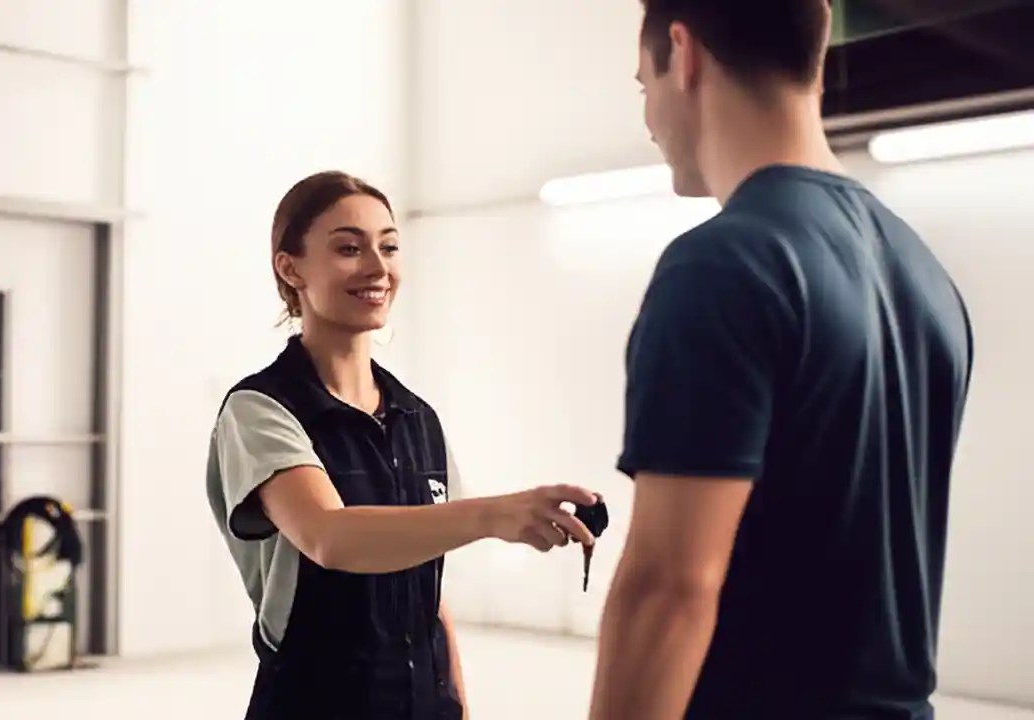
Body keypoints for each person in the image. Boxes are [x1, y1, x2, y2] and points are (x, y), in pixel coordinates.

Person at [588, 2, 974, 719]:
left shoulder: (724, 264)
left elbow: (668, 590)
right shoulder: (922, 271)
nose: (648, 120)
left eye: (644, 85)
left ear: (685, 52)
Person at [205, 170, 599, 720]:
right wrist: (490, 515)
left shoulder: (418, 419)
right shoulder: (260, 409)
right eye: (348, 247)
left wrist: (456, 702)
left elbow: (429, 588)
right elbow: (329, 538)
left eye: (389, 246)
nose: (377, 267)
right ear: (289, 267)